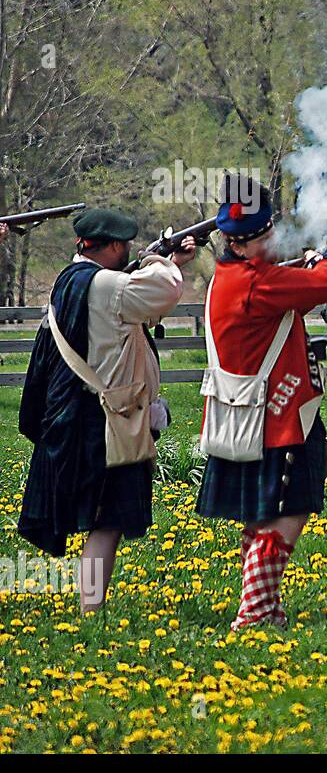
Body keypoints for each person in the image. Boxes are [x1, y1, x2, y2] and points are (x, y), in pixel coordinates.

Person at [17, 207, 195, 613]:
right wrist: (159, 259)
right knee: (106, 523)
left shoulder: (70, 279)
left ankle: (90, 607)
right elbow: (164, 290)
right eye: (126, 245)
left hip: (81, 418)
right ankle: (90, 610)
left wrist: (164, 260)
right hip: (103, 425)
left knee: (103, 522)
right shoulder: (107, 285)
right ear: (114, 246)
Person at [196, 175, 327, 629]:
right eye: (263, 238)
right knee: (291, 509)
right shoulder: (258, 282)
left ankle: (266, 604)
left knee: (262, 514)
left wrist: (302, 267)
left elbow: (292, 298)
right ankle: (255, 609)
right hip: (277, 420)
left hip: (255, 415)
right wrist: (322, 259)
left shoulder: (234, 275)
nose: (269, 243)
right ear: (240, 244)